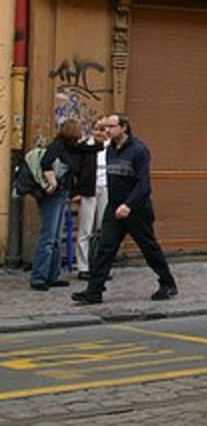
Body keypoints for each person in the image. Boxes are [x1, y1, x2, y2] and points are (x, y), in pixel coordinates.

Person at [73, 113, 178, 305]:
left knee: (149, 248)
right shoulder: (110, 149)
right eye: (105, 128)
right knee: (105, 248)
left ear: (124, 128)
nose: (107, 131)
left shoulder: (139, 150)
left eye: (111, 127)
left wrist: (128, 205)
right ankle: (94, 291)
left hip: (136, 209)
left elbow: (144, 184)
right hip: (114, 208)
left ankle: (167, 283)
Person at [28, 118, 90, 290]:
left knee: (55, 236)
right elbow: (45, 161)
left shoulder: (70, 147)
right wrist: (53, 182)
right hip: (53, 194)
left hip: (62, 194)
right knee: (49, 236)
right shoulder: (59, 145)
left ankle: (52, 275)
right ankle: (39, 277)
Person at [73, 118, 110, 278]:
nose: (100, 132)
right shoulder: (84, 147)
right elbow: (77, 170)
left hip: (107, 188)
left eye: (103, 129)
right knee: (85, 229)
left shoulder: (112, 147)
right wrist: (77, 191)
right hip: (89, 189)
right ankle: (83, 267)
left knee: (103, 228)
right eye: (97, 129)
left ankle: (100, 266)